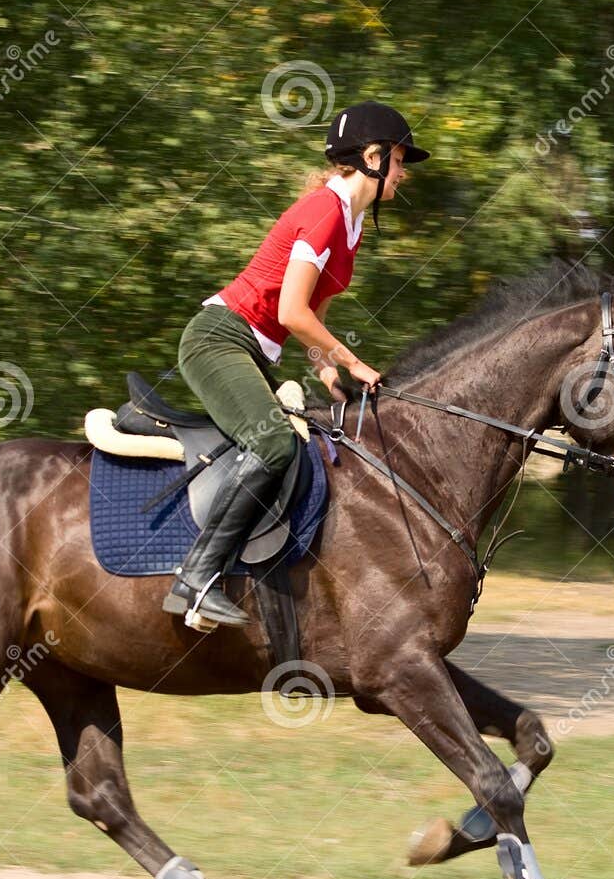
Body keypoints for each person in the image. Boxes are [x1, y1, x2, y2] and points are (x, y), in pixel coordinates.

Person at [162, 100, 429, 629]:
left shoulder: (349, 230)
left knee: (306, 444)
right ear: (372, 158)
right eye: (399, 161)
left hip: (253, 348)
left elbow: (308, 321)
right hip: (219, 340)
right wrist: (355, 363)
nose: (404, 173)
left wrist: (327, 371)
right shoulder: (325, 213)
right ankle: (193, 581)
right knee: (273, 444)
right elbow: (290, 311)